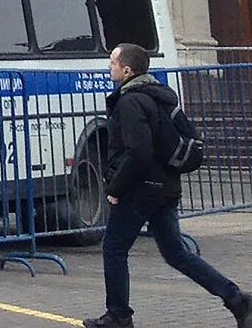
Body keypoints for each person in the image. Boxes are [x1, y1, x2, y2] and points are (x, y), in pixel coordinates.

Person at [83, 43, 252, 328]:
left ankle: (119, 315)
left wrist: (114, 189)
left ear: (126, 70)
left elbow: (138, 151)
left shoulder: (130, 102)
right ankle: (237, 300)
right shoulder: (160, 96)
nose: (108, 67)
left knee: (114, 248)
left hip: (141, 190)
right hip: (167, 187)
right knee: (176, 253)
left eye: (112, 62)